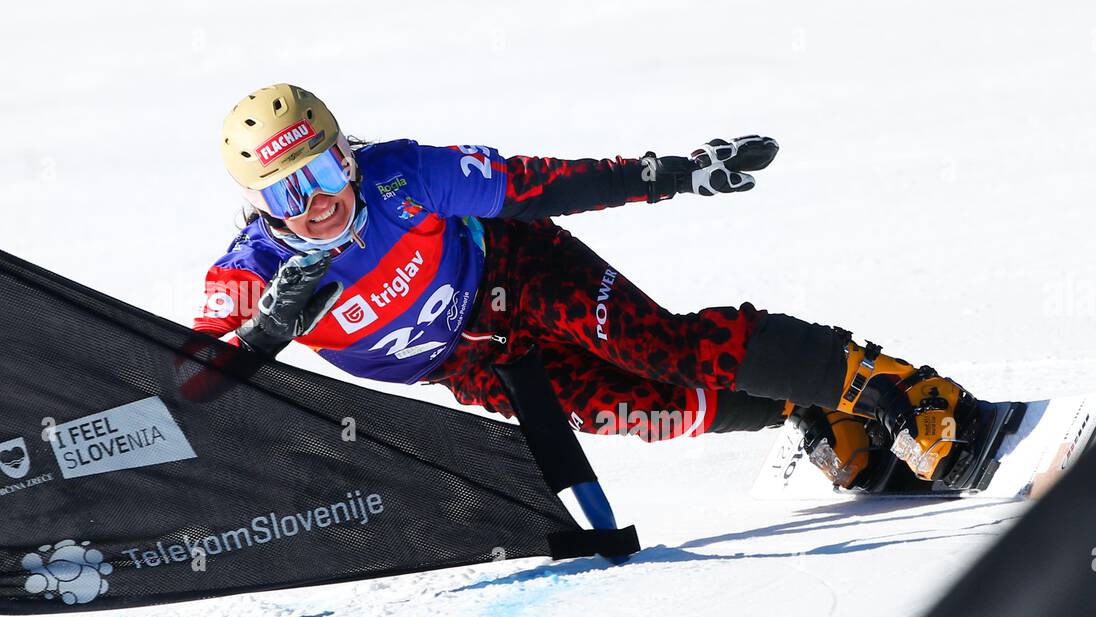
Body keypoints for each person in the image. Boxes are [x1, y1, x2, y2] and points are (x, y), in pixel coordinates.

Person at [196, 83, 985, 492]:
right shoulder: (251, 271)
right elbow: (184, 382)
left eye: (329, 168)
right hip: (471, 362)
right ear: (257, 207)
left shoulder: (402, 174)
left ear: (348, 151)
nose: (324, 201)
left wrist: (671, 174)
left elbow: (539, 185)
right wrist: (263, 332)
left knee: (661, 349)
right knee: (646, 411)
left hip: (516, 272)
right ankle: (804, 401)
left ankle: (895, 389)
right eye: (290, 194)